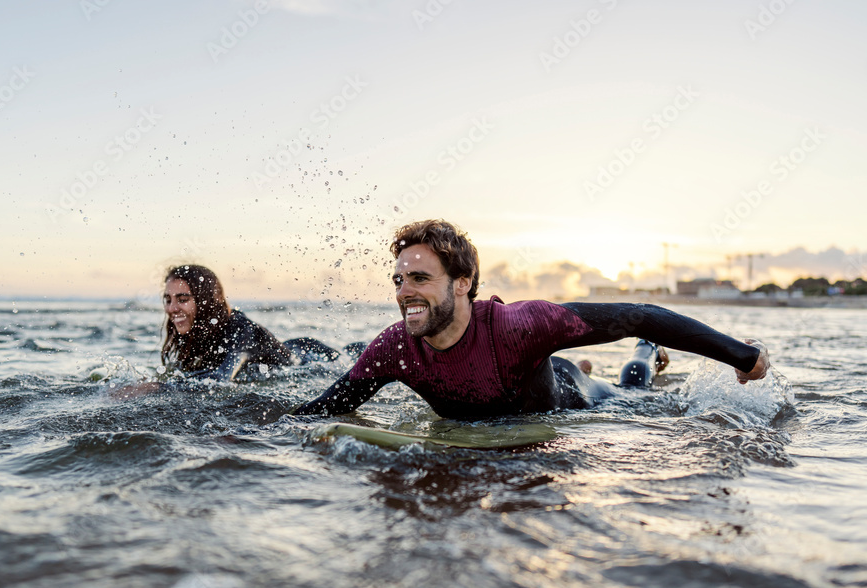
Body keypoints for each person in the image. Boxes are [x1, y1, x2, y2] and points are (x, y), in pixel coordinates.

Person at [293, 220, 769, 420]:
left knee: (634, 390)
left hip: (572, 399)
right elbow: (324, 408)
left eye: (419, 278)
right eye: (398, 280)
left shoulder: (519, 325)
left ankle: (645, 356)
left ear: (462, 282)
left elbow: (640, 314)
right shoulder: (395, 348)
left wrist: (744, 356)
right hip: (521, 390)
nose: (404, 292)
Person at [113, 265, 345, 398]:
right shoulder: (198, 332)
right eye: (168, 299)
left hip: (312, 357)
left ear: (205, 301)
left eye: (182, 299)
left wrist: (155, 388)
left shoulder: (240, 331)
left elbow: (219, 383)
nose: (172, 308)